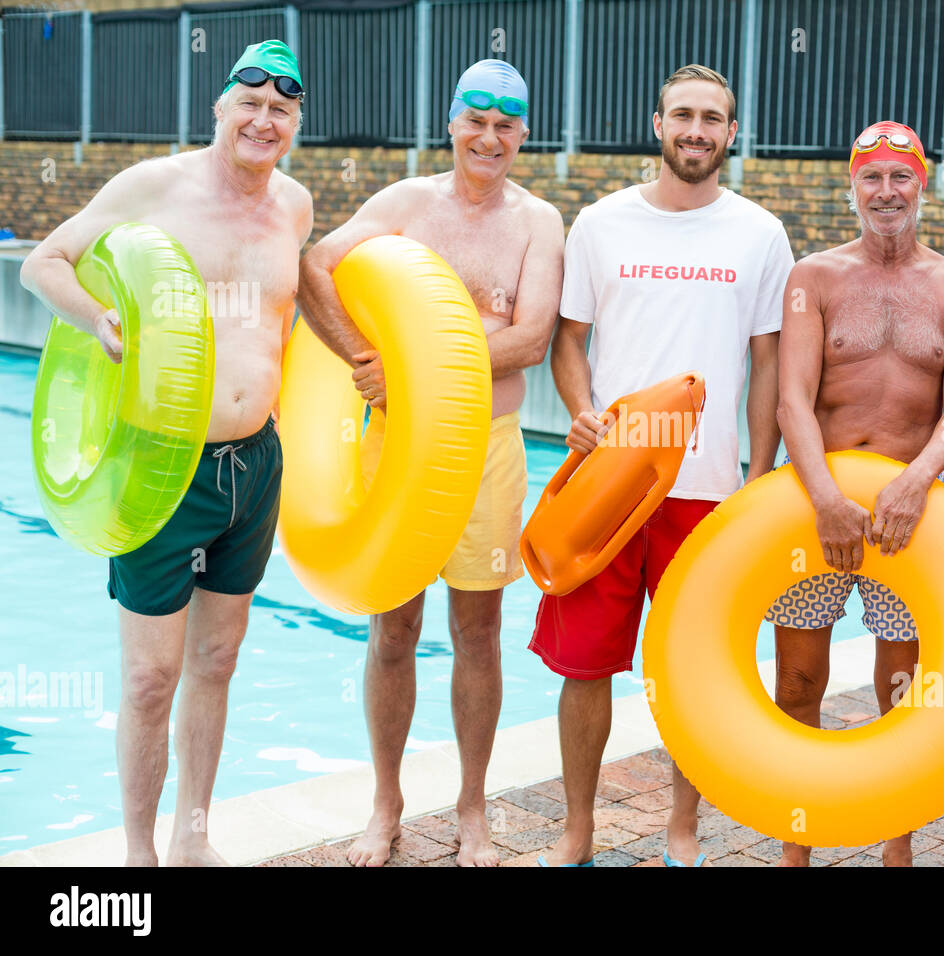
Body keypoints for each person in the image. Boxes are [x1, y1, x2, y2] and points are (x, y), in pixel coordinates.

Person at [20, 40, 312, 866]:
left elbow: (279, 318)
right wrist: (97, 320)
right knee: (152, 680)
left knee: (216, 663)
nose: (264, 119)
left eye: (281, 109)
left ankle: (194, 839)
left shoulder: (294, 205)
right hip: (162, 469)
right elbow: (45, 264)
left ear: (295, 123)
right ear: (219, 107)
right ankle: (139, 856)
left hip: (253, 467)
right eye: (249, 103)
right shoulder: (155, 188)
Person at [297, 59, 564, 867]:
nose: (489, 137)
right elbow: (316, 267)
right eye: (475, 119)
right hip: (399, 445)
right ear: (452, 123)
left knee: (478, 629)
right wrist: (358, 355)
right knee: (393, 627)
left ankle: (473, 808)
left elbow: (532, 338)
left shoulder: (538, 220)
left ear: (524, 134)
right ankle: (387, 806)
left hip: (489, 447)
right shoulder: (404, 205)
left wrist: (413, 363)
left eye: (506, 124)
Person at [532, 64, 793, 867]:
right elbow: (567, 341)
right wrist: (579, 409)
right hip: (606, 488)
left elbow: (769, 362)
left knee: (692, 674)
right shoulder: (602, 224)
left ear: (731, 133)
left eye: (712, 118)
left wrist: (757, 478)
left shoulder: (759, 234)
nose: (696, 130)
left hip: (706, 492)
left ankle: (683, 828)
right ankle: (579, 831)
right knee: (585, 667)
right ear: (657, 123)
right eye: (682, 114)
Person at [764, 121, 944, 867]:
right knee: (798, 682)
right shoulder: (814, 278)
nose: (885, 192)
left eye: (900, 177)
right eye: (872, 178)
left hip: (909, 520)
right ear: (851, 187)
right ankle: (798, 845)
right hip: (814, 507)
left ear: (922, 183)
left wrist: (919, 481)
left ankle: (898, 852)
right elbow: (792, 399)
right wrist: (825, 497)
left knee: (901, 692)